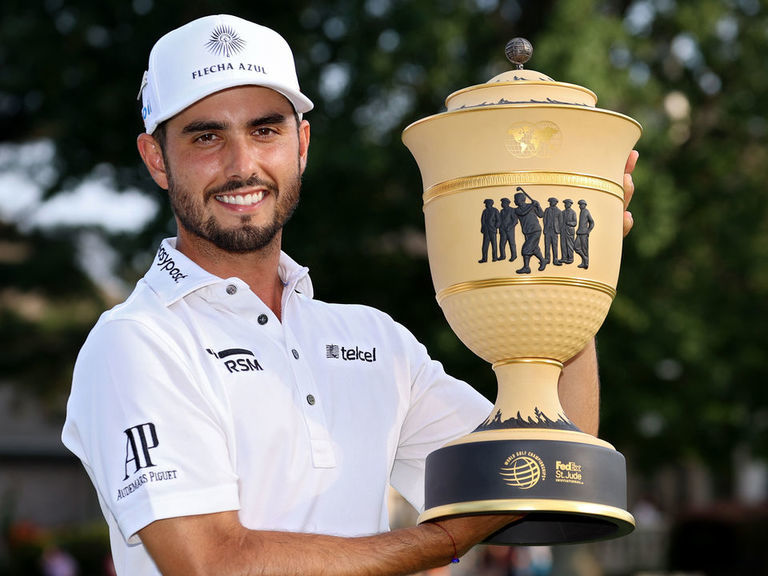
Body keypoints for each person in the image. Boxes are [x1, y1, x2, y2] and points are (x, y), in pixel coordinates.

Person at [61, 14, 639, 576]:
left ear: (301, 143)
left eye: (265, 130)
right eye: (207, 136)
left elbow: (552, 461)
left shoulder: (376, 341)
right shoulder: (136, 343)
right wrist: (444, 541)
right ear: (156, 159)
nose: (242, 165)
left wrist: (569, 270)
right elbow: (211, 564)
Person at [479, 198, 501, 263]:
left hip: (492, 230)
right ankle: (484, 258)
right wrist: (483, 227)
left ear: (490, 204)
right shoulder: (484, 211)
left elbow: (499, 220)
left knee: (494, 244)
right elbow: (482, 220)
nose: (485, 205)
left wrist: (496, 227)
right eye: (485, 204)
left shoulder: (495, 210)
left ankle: (495, 257)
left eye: (486, 204)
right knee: (485, 245)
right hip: (486, 230)